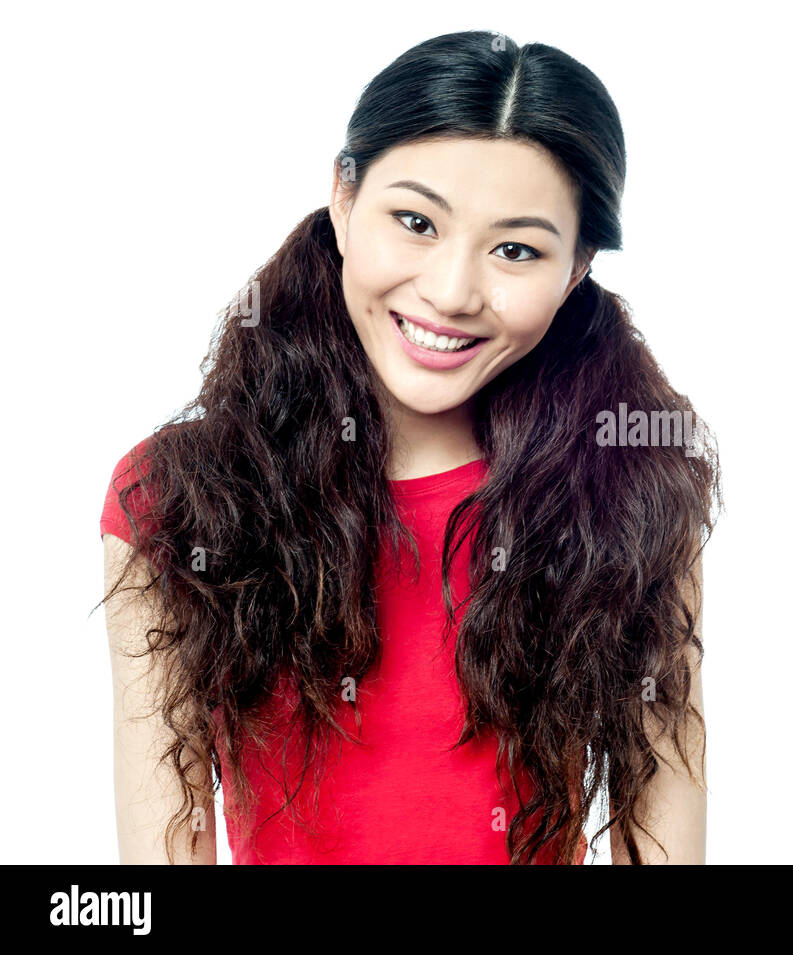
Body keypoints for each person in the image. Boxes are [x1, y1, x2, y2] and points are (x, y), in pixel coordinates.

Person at [98, 30, 720, 865]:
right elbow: (163, 850)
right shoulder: (173, 495)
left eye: (515, 249)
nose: (451, 291)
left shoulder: (634, 489)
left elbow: (662, 831)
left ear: (576, 270)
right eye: (416, 220)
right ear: (343, 201)